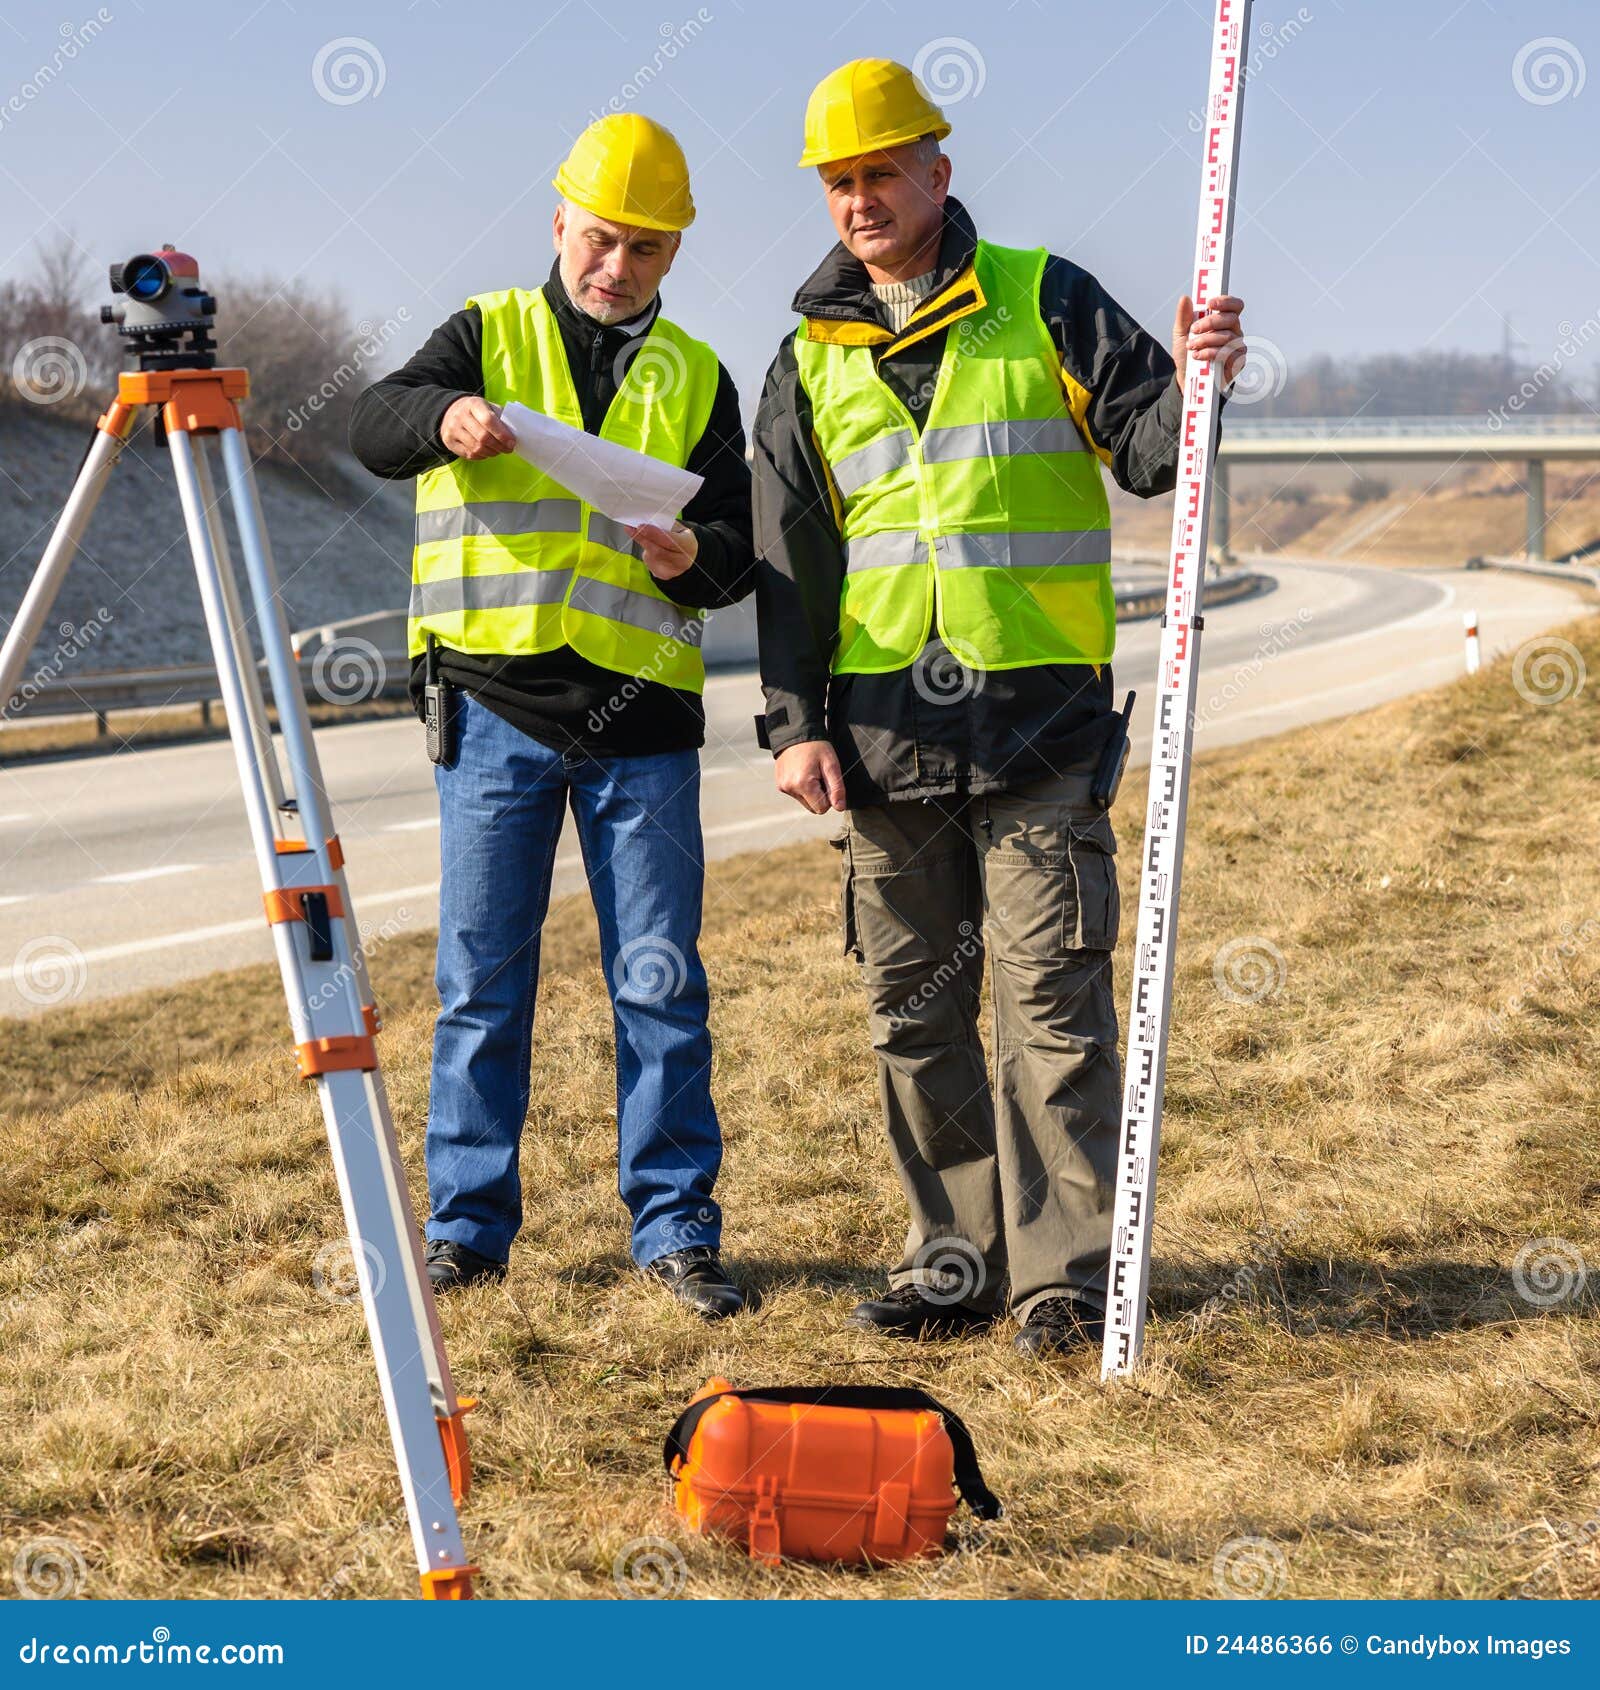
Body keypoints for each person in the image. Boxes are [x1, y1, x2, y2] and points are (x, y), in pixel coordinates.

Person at [753, 58, 1247, 1356]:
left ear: (937, 173)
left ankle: (1063, 1284)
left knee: (1052, 1017)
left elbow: (1148, 446)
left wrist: (1194, 383)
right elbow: (788, 561)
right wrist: (790, 723)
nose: (861, 199)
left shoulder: (1046, 299)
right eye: (840, 180)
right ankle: (957, 1264)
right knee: (915, 1018)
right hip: (882, 746)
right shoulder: (804, 358)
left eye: (881, 173)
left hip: (1039, 731)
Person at [350, 113, 754, 1319]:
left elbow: (738, 557)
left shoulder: (698, 377)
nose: (613, 266)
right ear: (560, 224)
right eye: (598, 238)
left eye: (641, 247)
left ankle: (676, 1230)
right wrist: (441, 420)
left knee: (660, 984)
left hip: (642, 730)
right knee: (481, 982)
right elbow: (372, 423)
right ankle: (466, 1233)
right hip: (495, 709)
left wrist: (691, 557)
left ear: (672, 254)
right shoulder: (485, 334)